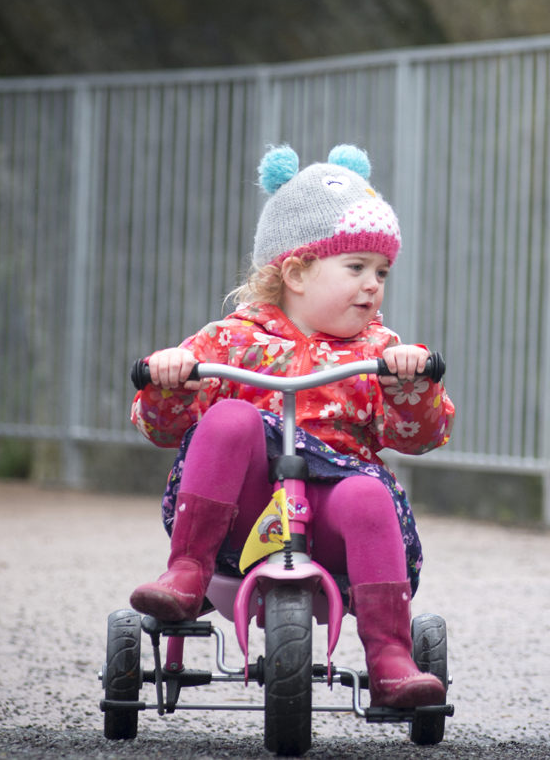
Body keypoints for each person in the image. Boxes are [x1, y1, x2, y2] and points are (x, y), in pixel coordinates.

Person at [128, 144, 453, 709]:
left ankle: (390, 656)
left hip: (329, 523)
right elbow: (161, 426)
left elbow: (419, 437)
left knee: (367, 493)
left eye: (382, 272)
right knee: (230, 419)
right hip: (244, 513)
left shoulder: (381, 352)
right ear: (297, 272)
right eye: (355, 268)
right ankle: (186, 571)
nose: (373, 285)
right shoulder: (230, 340)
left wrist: (413, 386)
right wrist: (170, 380)